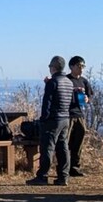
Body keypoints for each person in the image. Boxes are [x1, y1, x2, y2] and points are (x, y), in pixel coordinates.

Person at [28, 56, 74, 186]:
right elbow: (71, 102)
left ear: (53, 67)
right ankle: (63, 176)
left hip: (53, 119)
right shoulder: (69, 82)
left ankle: (42, 175)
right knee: (63, 147)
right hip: (65, 118)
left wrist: (43, 119)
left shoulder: (53, 82)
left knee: (47, 147)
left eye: (49, 67)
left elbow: (46, 103)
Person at [67, 56, 94, 177]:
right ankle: (64, 167)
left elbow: (90, 95)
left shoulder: (84, 81)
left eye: (83, 66)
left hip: (79, 114)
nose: (81, 68)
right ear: (72, 67)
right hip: (67, 115)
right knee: (66, 142)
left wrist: (88, 99)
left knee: (79, 141)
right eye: (79, 66)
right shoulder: (66, 80)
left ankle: (75, 167)